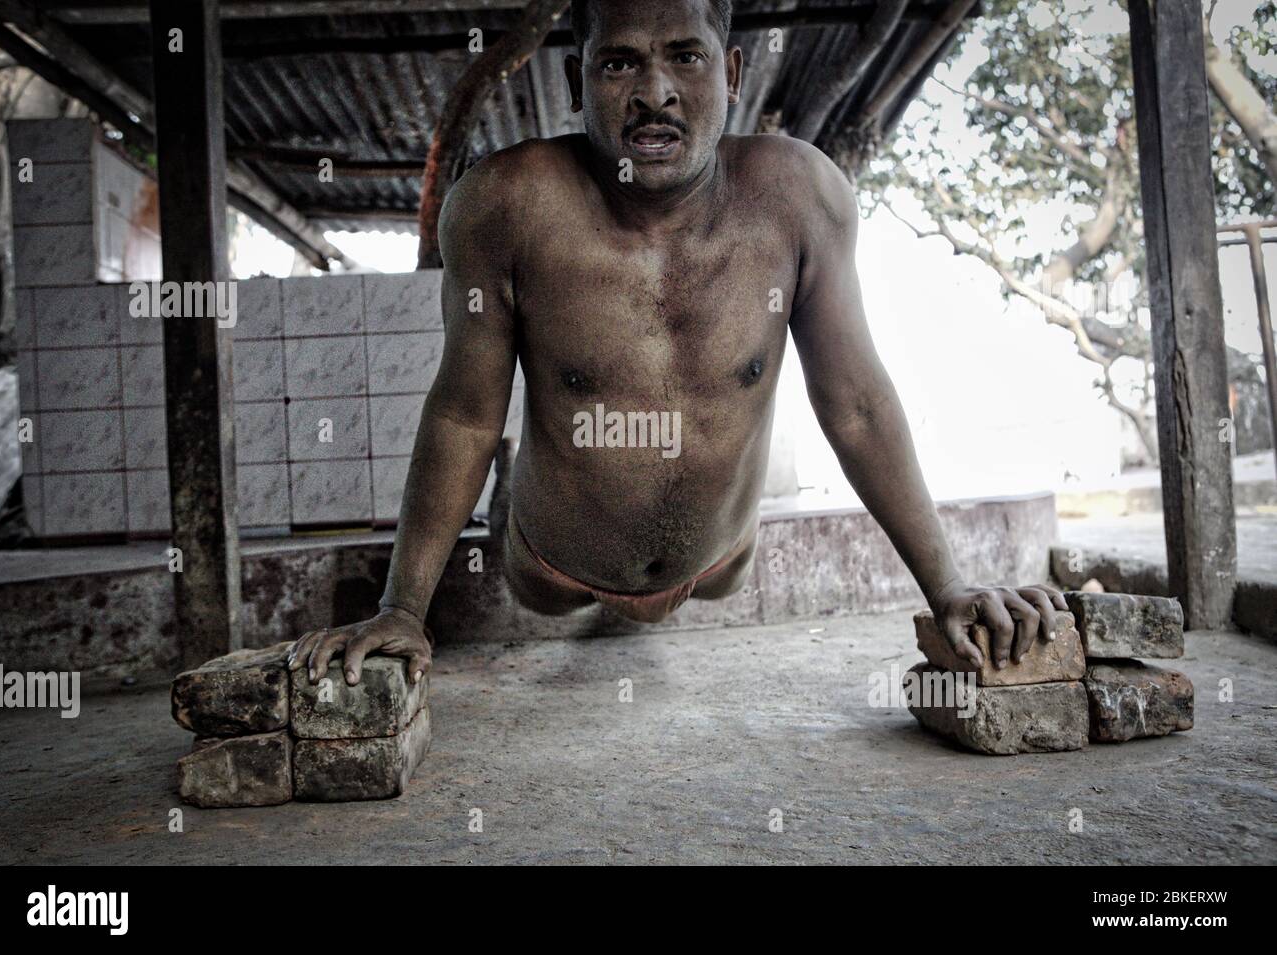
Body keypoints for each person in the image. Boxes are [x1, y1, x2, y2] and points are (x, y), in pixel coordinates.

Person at [288, 0, 1067, 689]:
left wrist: (950, 587)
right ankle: (514, 487)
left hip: (719, 560)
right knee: (531, 538)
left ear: (729, 71)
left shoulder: (799, 197)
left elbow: (858, 406)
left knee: (718, 544)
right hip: (551, 566)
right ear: (575, 83)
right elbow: (464, 414)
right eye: (620, 61)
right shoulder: (502, 205)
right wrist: (402, 608)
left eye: (684, 57)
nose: (654, 93)